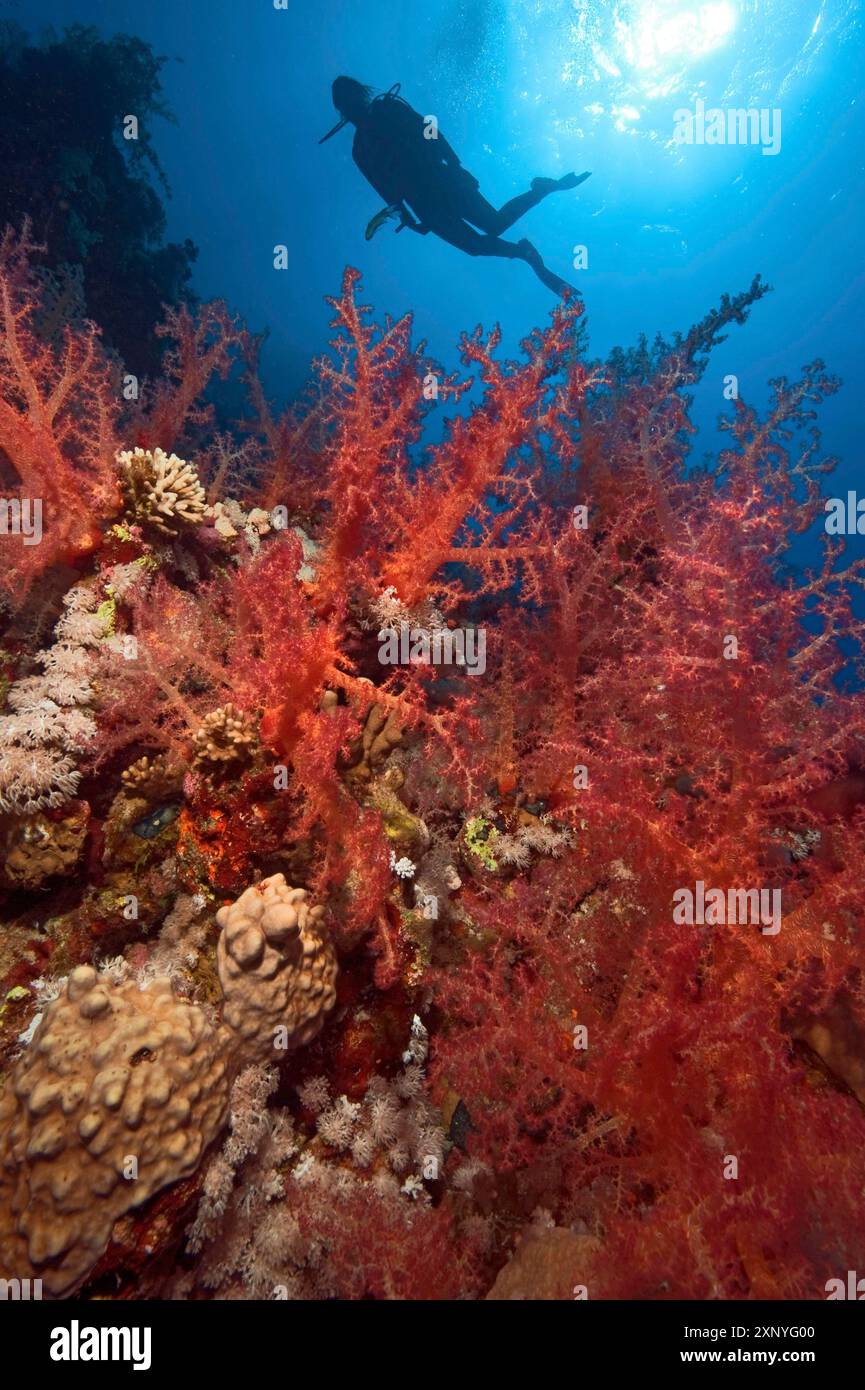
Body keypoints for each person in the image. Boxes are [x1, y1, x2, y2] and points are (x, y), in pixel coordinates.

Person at [320, 77, 590, 296]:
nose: (351, 108)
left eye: (350, 99)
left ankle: (542, 190)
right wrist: (408, 219)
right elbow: (385, 191)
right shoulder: (359, 150)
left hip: (443, 179)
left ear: (359, 95)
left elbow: (428, 128)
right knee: (473, 246)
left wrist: (453, 163)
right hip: (423, 204)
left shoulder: (387, 108)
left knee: (495, 224)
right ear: (342, 111)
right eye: (345, 104)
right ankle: (523, 252)